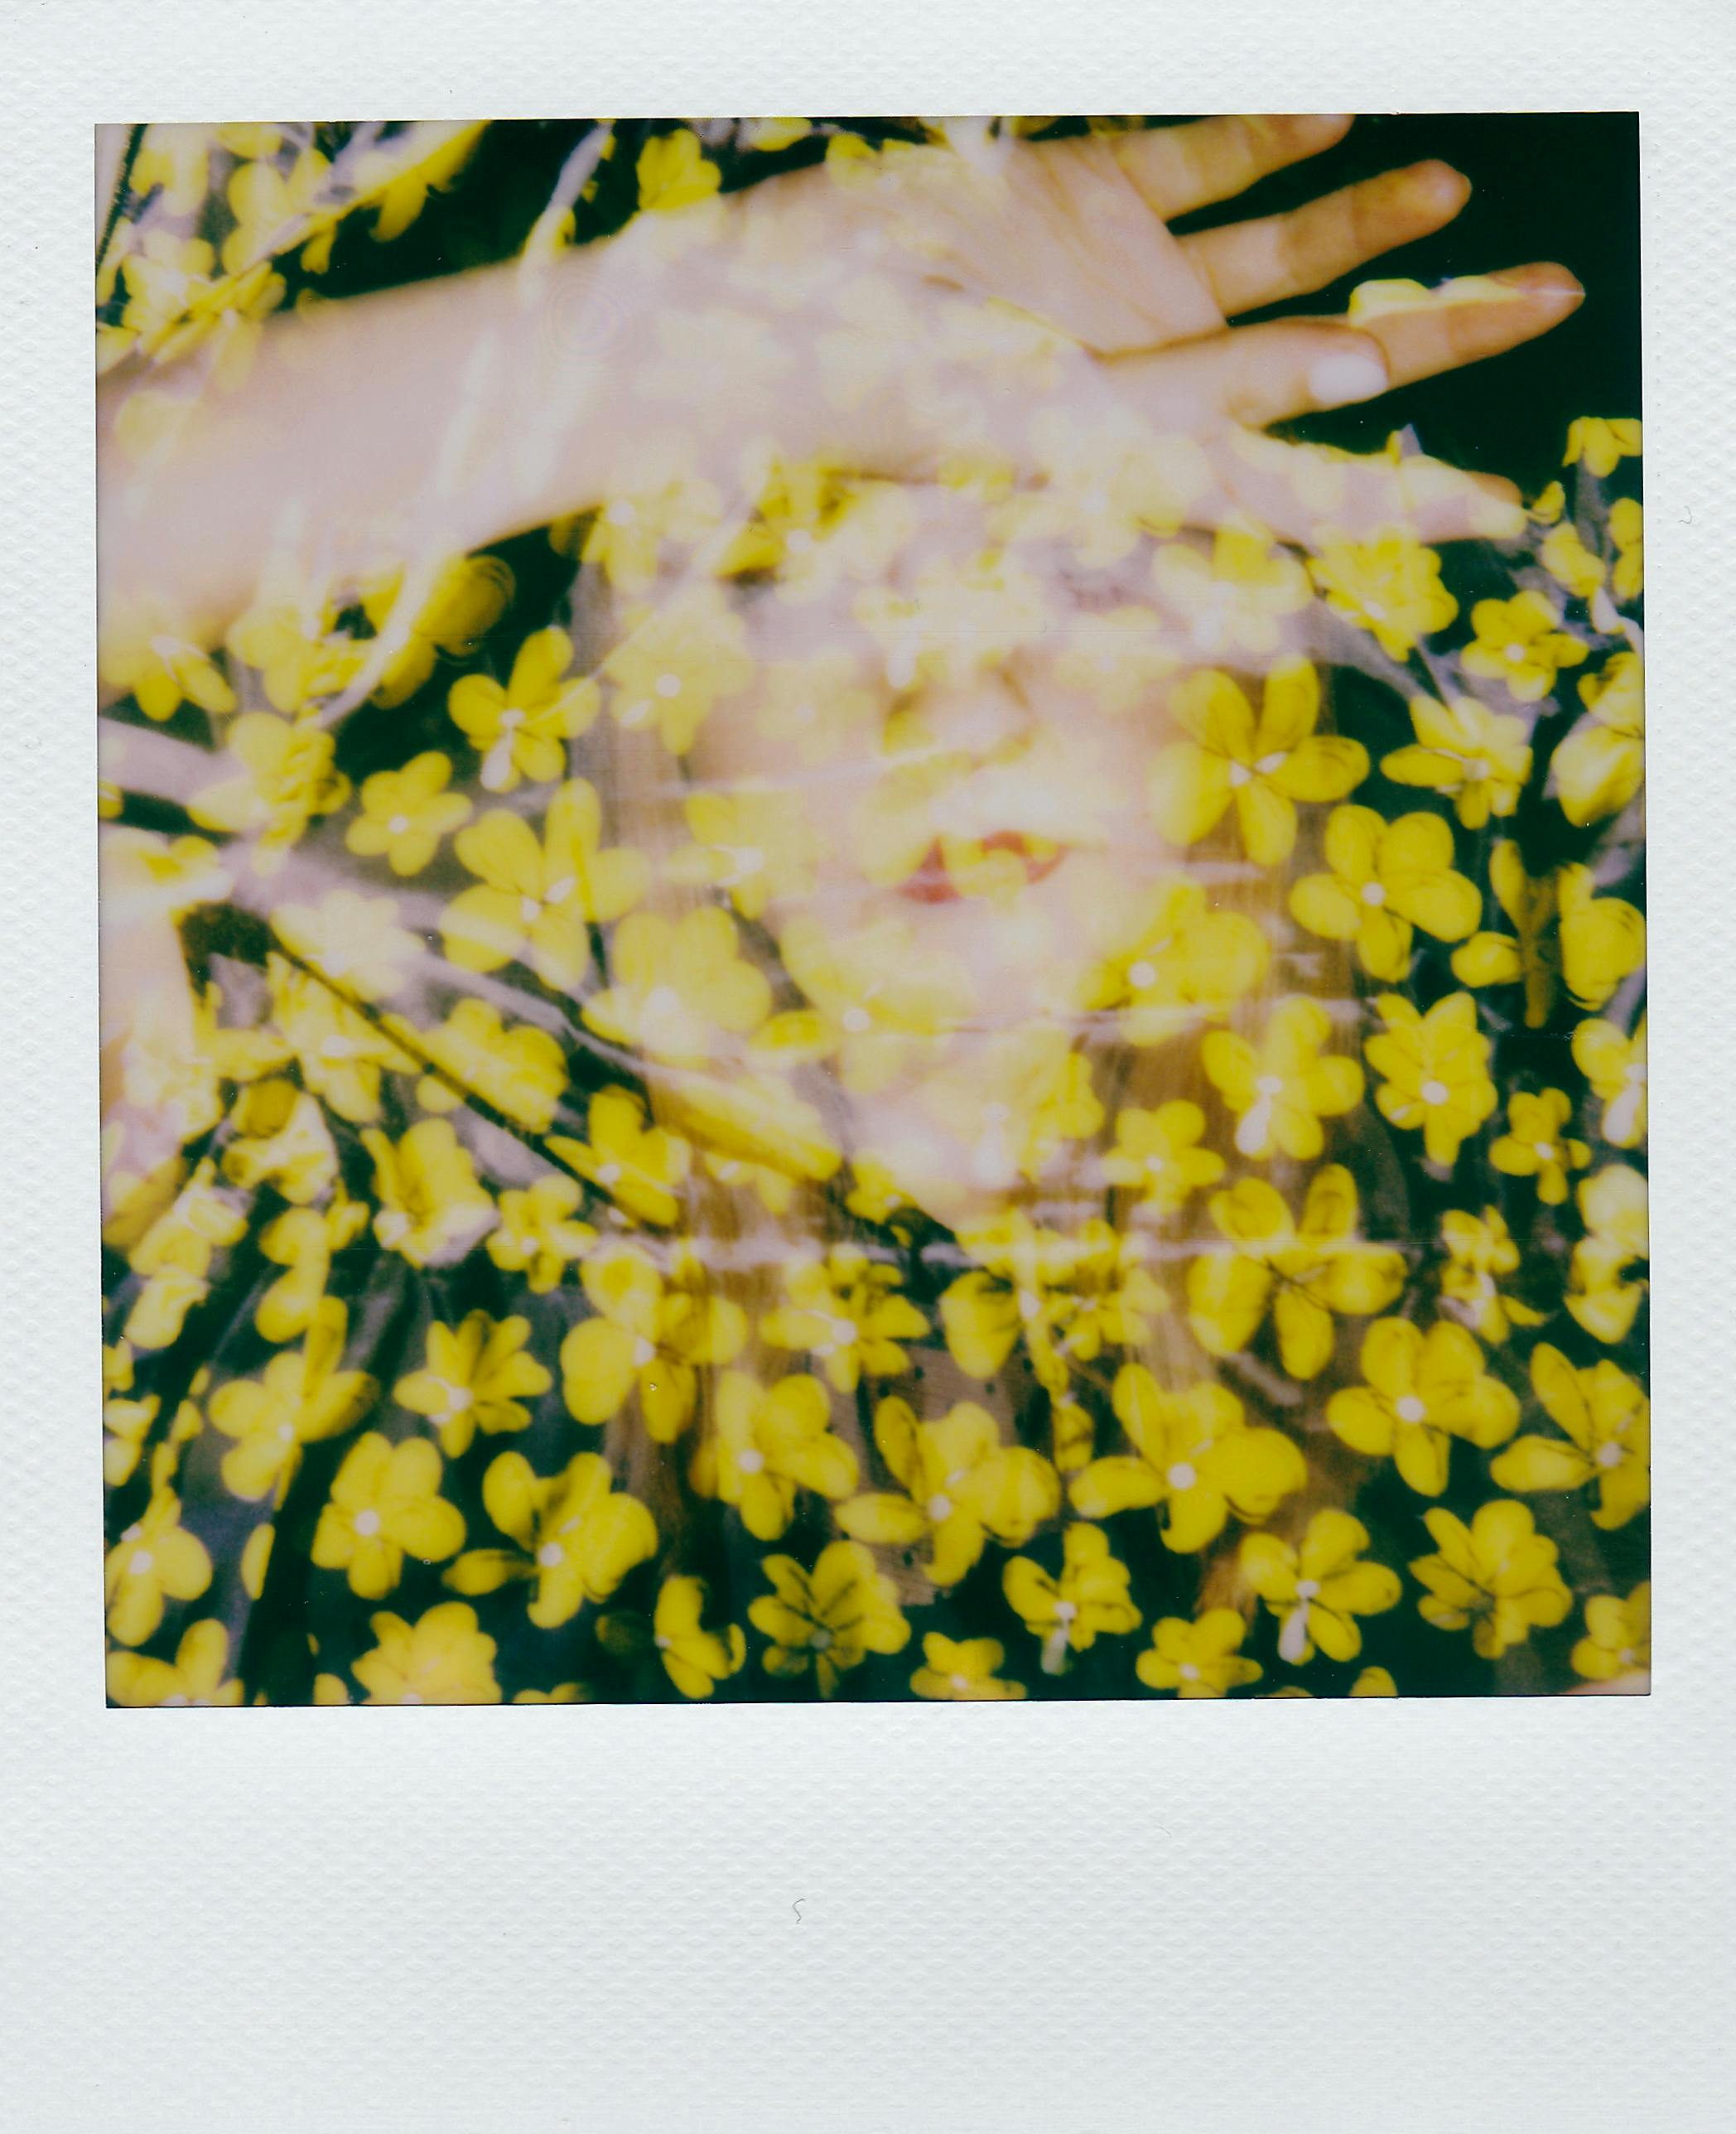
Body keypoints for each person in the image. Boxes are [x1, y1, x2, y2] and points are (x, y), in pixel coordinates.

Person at [97, 117, 1647, 1706]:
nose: (957, 711)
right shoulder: (347, 1176)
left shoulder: (1538, 1116)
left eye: (1090, 575)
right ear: (645, 702)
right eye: (792, 594)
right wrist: (693, 339)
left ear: (1247, 669)